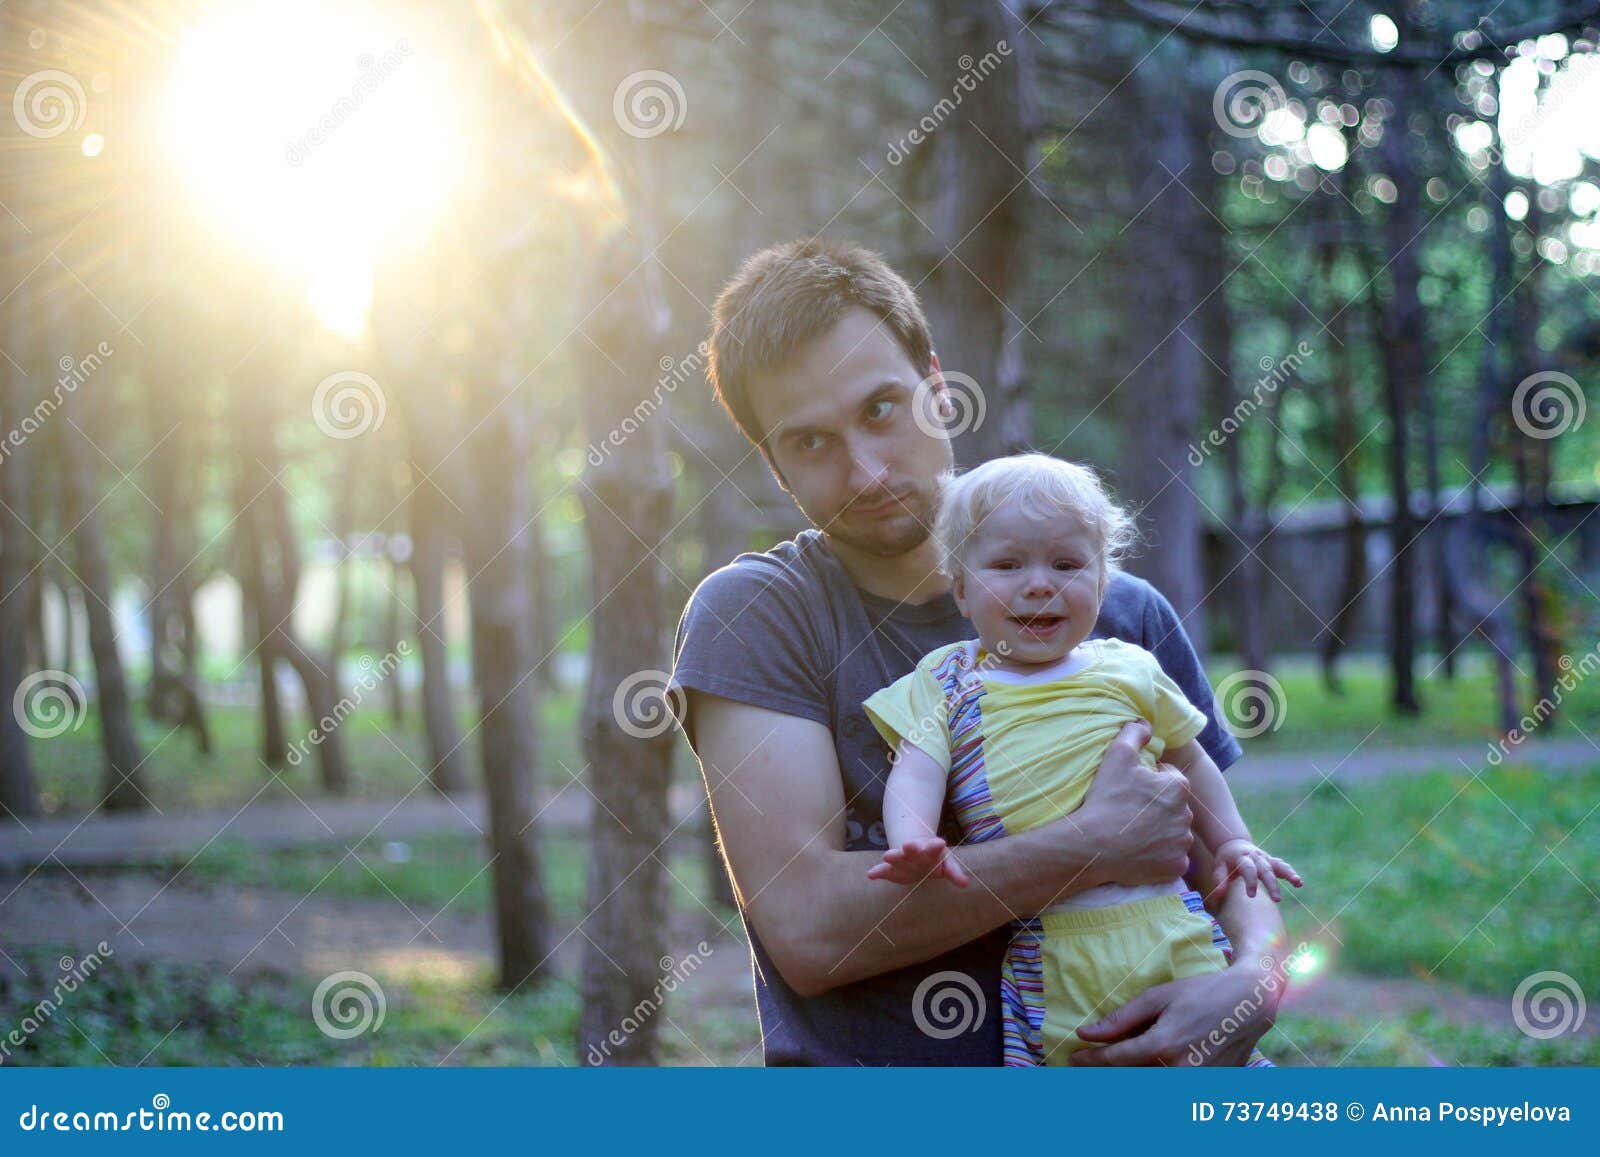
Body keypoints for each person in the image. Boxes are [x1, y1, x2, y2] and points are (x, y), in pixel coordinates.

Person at [666, 237, 1290, 1065]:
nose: (866, 469)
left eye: (881, 407)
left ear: (936, 385)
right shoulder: (757, 615)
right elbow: (811, 932)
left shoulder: (1120, 613)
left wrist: (1256, 978)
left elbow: (1226, 857)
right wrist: (1089, 845)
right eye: (810, 442)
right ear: (773, 464)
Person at [861, 452, 1301, 1065]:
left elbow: (1191, 760)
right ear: (961, 589)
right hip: (1052, 943)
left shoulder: (1130, 667)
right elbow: (918, 766)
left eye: (1067, 564)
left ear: (1101, 583)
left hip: (1171, 922)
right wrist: (912, 839)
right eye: (1008, 565)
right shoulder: (948, 681)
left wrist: (1232, 842)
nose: (1039, 583)